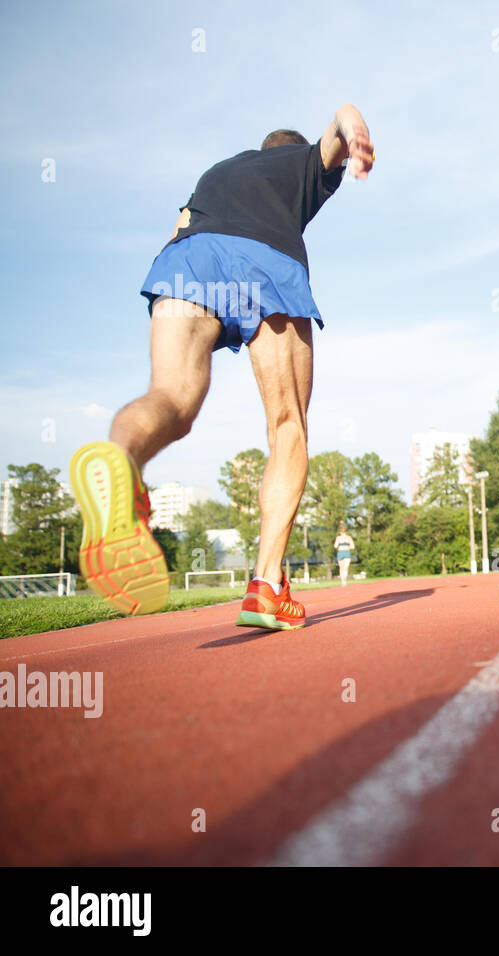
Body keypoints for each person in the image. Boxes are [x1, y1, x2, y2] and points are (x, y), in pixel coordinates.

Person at [68, 104, 375, 630]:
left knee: (172, 398)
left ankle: (122, 461)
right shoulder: (299, 164)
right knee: (287, 428)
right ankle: (265, 585)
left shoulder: (217, 171)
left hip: (186, 256)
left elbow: (179, 226)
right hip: (264, 261)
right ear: (292, 151)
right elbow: (337, 128)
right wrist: (354, 131)